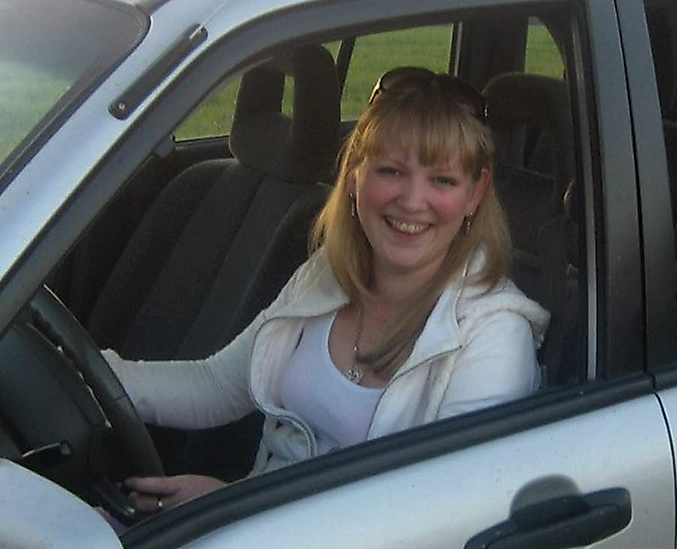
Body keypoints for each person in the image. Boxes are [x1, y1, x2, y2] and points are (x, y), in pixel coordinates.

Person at [110, 66, 550, 516]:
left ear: (475, 194)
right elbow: (218, 386)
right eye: (391, 171)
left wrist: (228, 506)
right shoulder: (329, 273)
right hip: (254, 532)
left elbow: (429, 519)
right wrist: (102, 378)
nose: (412, 201)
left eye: (443, 181)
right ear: (356, 176)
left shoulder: (494, 336)